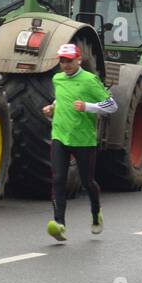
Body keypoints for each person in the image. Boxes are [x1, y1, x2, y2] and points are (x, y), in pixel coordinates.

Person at [40, 43, 116, 240]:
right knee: (57, 179)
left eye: (69, 60)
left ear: (78, 60)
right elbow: (62, 100)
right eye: (62, 61)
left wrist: (88, 107)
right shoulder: (57, 79)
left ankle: (96, 214)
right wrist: (52, 109)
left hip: (83, 140)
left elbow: (112, 105)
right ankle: (59, 224)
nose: (65, 65)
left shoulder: (90, 80)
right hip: (60, 136)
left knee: (87, 182)